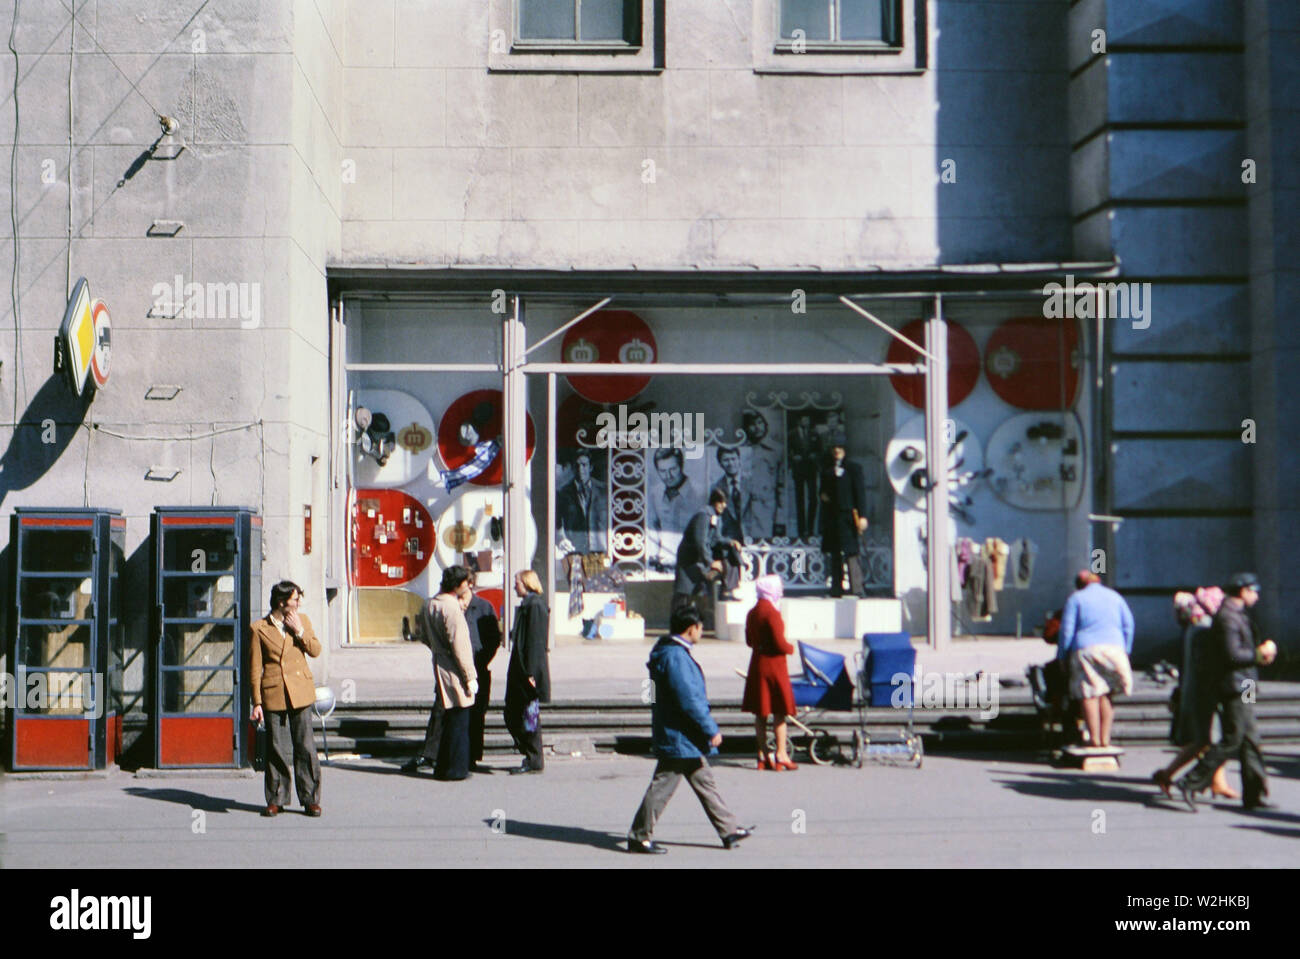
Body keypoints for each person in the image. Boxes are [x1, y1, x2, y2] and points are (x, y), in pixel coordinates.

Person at [626, 606, 754, 854]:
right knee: (663, 786)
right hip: (680, 735)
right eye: (701, 627)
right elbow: (690, 699)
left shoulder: (666, 652)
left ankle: (728, 829)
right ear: (691, 628)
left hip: (678, 733)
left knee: (705, 783)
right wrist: (710, 729)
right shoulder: (676, 657)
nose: (702, 631)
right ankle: (639, 835)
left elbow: (654, 695)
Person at [1174, 572, 1278, 811]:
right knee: (1233, 738)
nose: (1257, 595)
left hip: (1246, 684)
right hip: (1236, 685)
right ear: (1243, 591)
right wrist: (1260, 655)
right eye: (1254, 590)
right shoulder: (1227, 617)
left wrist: (1259, 656)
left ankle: (1254, 794)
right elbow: (1232, 654)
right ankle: (1190, 781)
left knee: (1250, 738)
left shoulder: (1237, 614)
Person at [1153, 587, 1237, 800]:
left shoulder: (1194, 628)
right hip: (1206, 693)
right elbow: (1209, 664)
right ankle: (1169, 775)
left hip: (1198, 692)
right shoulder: (1205, 628)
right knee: (1208, 739)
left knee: (1210, 739)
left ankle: (1217, 782)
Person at [249, 581, 323, 817]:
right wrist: (257, 702)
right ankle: (276, 797)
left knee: (306, 747)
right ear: (282, 603)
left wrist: (299, 631)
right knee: (275, 748)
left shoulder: (303, 621)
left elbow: (315, 650)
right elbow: (254, 667)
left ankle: (310, 798)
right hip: (274, 692)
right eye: (295, 600)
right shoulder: (259, 628)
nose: (298, 603)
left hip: (300, 692)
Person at [412, 566, 479, 781]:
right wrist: (470, 676)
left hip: (439, 662)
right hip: (454, 668)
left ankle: (441, 766)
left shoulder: (430, 604)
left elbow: (423, 636)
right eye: (465, 583)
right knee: (459, 721)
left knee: (447, 718)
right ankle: (456, 768)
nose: (468, 586)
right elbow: (461, 646)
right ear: (458, 585)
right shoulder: (452, 609)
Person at [1056, 570, 1134, 748]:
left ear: (1079, 584)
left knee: (1089, 694)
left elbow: (1067, 631)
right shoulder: (1115, 597)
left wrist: (1062, 656)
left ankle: (1094, 739)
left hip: (1087, 649)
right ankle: (1105, 739)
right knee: (1106, 695)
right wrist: (1125, 650)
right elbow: (1128, 625)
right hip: (1115, 649)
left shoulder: (1076, 598)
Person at [743, 574, 797, 771]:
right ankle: (781, 753)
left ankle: (762, 753)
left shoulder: (752, 613)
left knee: (760, 712)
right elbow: (779, 643)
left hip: (757, 664)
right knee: (779, 711)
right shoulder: (772, 613)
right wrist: (791, 648)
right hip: (774, 666)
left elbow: (749, 640)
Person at [505, 570, 550, 775]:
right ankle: (531, 755)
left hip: (527, 672)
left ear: (527, 583)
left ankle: (533, 758)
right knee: (514, 713)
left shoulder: (535, 606)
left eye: (517, 582)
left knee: (528, 715)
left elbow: (536, 641)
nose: (515, 586)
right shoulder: (527, 605)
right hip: (520, 670)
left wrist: (532, 673)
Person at [672, 488, 742, 612]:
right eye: (721, 502)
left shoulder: (716, 516)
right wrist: (710, 562)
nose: (723, 506)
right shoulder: (704, 515)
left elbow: (717, 537)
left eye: (725, 503)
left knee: (698, 591)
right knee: (684, 594)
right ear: (714, 502)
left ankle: (727, 590)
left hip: (700, 559)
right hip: (690, 559)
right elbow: (700, 542)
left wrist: (731, 541)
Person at [818, 435, 868, 597]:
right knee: (834, 553)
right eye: (834, 448)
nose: (837, 451)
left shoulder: (854, 468)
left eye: (840, 448)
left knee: (851, 552)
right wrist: (823, 496)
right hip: (833, 518)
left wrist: (862, 516)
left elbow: (860, 493)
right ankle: (836, 588)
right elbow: (823, 491)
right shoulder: (827, 470)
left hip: (848, 516)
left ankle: (857, 588)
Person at [464, 572, 503, 770]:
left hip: (479, 667)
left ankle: (472, 756)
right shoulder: (453, 607)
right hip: (458, 670)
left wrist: (482, 660)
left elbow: (494, 639)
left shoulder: (484, 607)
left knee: (477, 714)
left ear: (470, 584)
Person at [647, 447, 701, 569]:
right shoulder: (655, 493)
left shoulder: (699, 493)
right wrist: (654, 555)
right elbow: (653, 526)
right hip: (663, 563)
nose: (668, 476)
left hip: (691, 563)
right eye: (662, 471)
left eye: (673, 469)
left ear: (681, 466)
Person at [739, 410, 783, 539]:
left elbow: (782, 485)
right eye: (752, 424)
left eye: (760, 422)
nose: (757, 427)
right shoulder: (741, 449)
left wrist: (780, 517)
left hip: (766, 507)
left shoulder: (776, 450)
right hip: (744, 507)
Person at [555, 449, 607, 556]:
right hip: (574, 551)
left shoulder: (604, 491)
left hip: (601, 551)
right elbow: (557, 523)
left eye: (584, 465)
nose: (580, 469)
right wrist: (562, 539)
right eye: (577, 465)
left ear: (590, 467)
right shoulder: (563, 493)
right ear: (573, 468)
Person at [788, 413, 819, 538]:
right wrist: (793, 457)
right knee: (799, 499)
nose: (807, 421)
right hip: (799, 469)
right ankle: (801, 530)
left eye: (808, 419)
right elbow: (787, 451)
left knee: (813, 498)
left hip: (811, 469)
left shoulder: (814, 434)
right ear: (799, 421)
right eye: (804, 419)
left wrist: (815, 456)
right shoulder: (791, 434)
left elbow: (819, 450)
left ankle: (810, 529)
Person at [710, 446, 747, 544]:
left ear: (739, 460)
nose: (730, 463)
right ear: (720, 463)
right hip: (730, 541)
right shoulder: (716, 488)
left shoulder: (752, 483)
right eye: (726, 460)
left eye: (733, 459)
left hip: (752, 538)